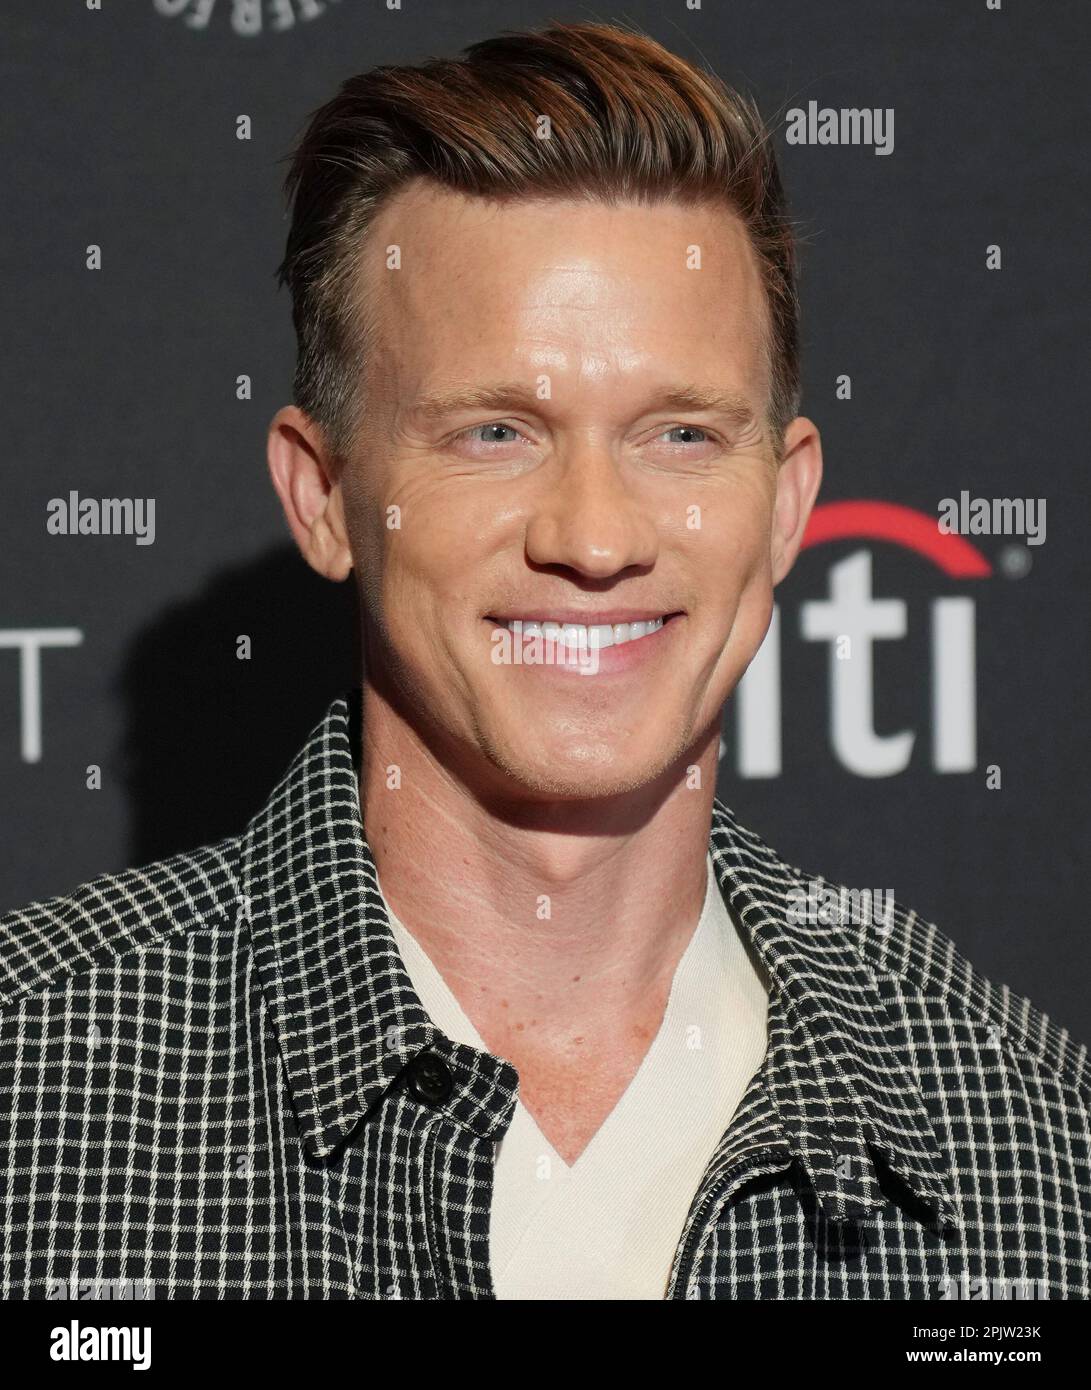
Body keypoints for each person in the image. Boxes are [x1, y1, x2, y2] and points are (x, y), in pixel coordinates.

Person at [1, 20, 1087, 1301]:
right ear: (323, 496)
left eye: (680, 435)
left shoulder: (1031, 1145)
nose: (593, 537)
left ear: (784, 505)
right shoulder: (34, 1083)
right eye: (495, 433)